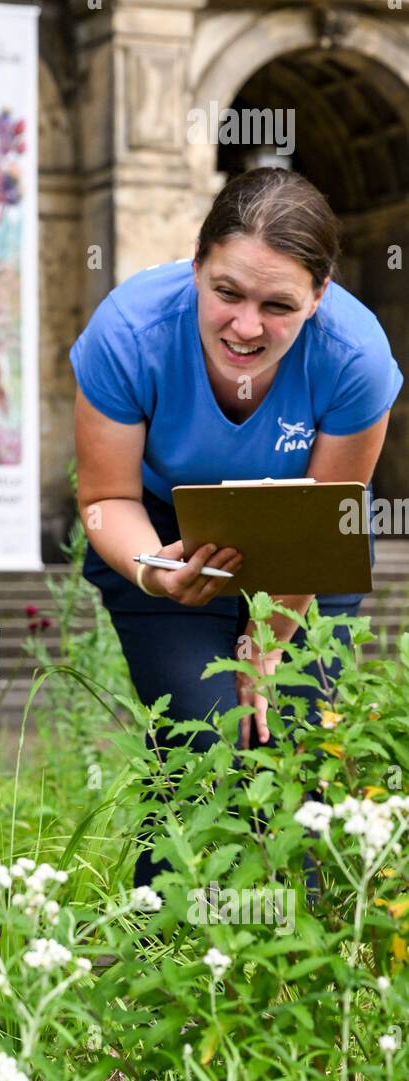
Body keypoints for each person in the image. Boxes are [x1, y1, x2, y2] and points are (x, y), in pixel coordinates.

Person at [72, 167, 403, 888]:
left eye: (278, 304)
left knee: (294, 760)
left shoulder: (357, 358)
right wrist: (154, 569)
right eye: (227, 293)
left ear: (318, 299)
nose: (246, 326)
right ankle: (165, 949)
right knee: (205, 738)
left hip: (306, 539)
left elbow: (329, 510)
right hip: (162, 534)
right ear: (196, 269)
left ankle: (291, 963)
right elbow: (104, 496)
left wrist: (270, 640)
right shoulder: (128, 332)